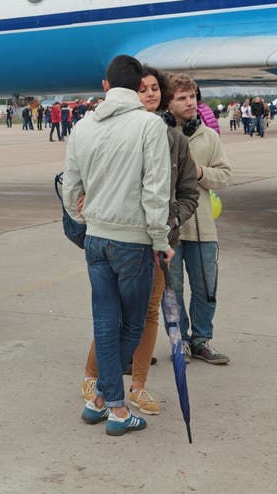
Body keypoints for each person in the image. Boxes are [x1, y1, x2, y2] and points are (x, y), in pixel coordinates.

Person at [63, 54, 172, 436]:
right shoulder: (149, 125)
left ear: (106, 86)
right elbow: (156, 190)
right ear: (137, 84)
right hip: (133, 241)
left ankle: (100, 401)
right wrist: (161, 240)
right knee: (135, 322)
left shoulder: (82, 126)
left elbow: (70, 188)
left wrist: (84, 220)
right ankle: (117, 408)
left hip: (96, 239)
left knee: (105, 321)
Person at [81, 65, 199, 415]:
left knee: (148, 313)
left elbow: (188, 193)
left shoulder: (174, 139)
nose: (150, 94)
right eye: (143, 88)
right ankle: (96, 377)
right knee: (112, 313)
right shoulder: (111, 130)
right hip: (121, 238)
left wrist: (167, 220)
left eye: (154, 89)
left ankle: (137, 386)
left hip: (159, 241)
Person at [164, 72, 232, 365]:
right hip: (170, 230)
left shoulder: (209, 136)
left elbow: (225, 176)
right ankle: (180, 342)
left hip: (203, 227)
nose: (191, 102)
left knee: (206, 287)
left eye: (193, 96)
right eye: (182, 98)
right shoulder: (159, 134)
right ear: (169, 103)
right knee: (173, 290)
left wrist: (201, 172)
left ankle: (202, 340)